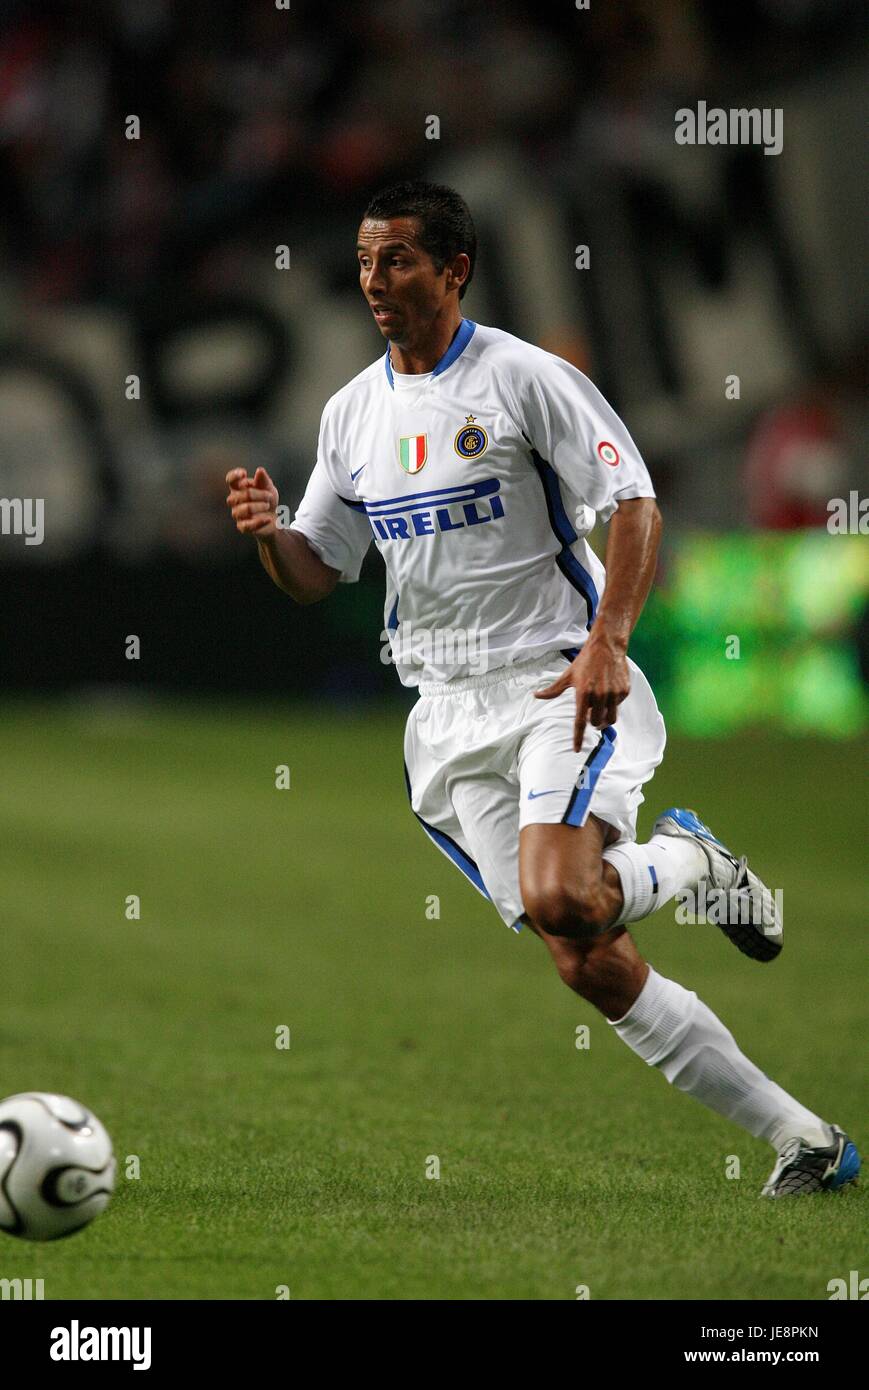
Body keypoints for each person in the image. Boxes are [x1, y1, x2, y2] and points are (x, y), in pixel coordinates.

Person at [226, 181, 858, 1198]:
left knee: (559, 893)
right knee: (586, 954)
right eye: (362, 261)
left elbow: (633, 499)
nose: (373, 281)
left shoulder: (523, 378)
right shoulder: (349, 415)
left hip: (556, 679)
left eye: (395, 261)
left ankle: (692, 857)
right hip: (441, 718)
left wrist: (610, 638)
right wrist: (269, 539)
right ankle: (805, 1137)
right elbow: (317, 570)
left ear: (452, 269)